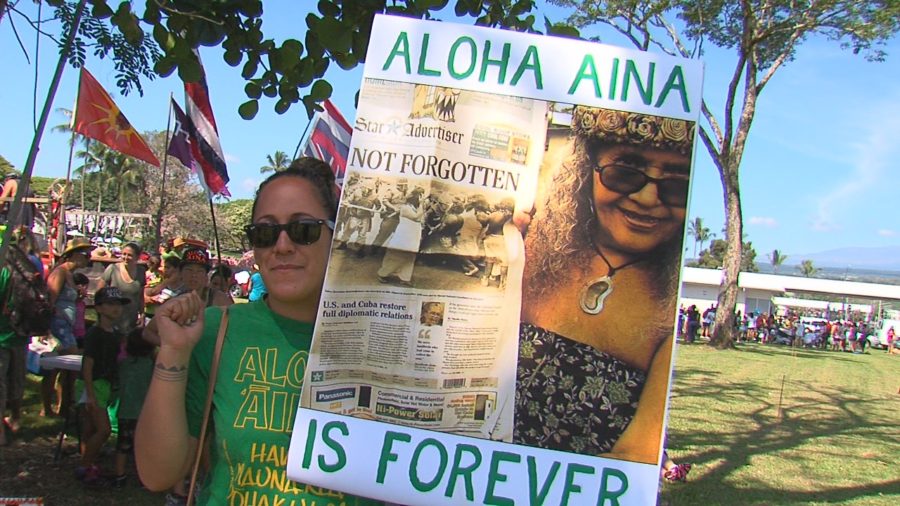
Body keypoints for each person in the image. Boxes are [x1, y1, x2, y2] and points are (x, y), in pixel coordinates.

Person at [136, 157, 377, 505]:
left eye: (304, 229)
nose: (282, 246)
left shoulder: (386, 337)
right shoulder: (216, 331)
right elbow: (158, 474)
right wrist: (173, 352)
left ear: (336, 235)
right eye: (265, 232)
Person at [515, 106, 693, 464]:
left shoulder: (670, 313)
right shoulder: (525, 249)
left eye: (676, 186)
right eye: (624, 174)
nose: (647, 198)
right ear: (587, 170)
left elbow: (637, 453)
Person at [75, 286, 131, 486]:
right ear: (98, 308)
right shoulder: (95, 333)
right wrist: (90, 394)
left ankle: (90, 464)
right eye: (110, 304)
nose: (116, 308)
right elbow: (87, 364)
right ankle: (84, 465)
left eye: (119, 304)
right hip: (92, 384)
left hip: (105, 384)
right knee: (104, 430)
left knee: (91, 428)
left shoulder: (115, 333)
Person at [42, 237, 93, 417]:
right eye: (85, 254)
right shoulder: (60, 272)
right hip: (58, 326)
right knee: (64, 365)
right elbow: (50, 300)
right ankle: (48, 408)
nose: (88, 258)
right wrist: (47, 329)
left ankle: (62, 406)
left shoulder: (70, 275)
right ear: (73, 255)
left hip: (67, 326)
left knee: (64, 368)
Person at [113, 328, 155, 488]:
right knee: (144, 447)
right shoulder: (151, 366)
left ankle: (120, 475)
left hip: (125, 411)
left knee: (122, 446)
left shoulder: (123, 365)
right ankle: (145, 478)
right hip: (145, 414)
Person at [377, 189, 425, 287]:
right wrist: (422, 204)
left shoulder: (415, 208)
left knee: (410, 257)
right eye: (420, 197)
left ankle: (405, 278)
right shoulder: (405, 207)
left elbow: (421, 219)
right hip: (404, 235)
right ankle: (383, 274)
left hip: (413, 235)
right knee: (397, 255)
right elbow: (416, 217)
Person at [0, 264, 26, 446]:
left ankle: (1, 433)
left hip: (2, 335)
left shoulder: (3, 271)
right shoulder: (26, 265)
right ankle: (15, 419)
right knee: (17, 380)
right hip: (21, 333)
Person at [96, 242, 145, 333]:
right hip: (112, 318)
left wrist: (142, 314)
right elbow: (99, 293)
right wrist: (101, 314)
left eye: (130, 255)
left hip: (131, 319)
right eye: (124, 254)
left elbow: (140, 297)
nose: (126, 257)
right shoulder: (112, 269)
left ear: (137, 257)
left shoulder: (141, 272)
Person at [73, 273, 90, 349]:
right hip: (72, 334)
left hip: (81, 334)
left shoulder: (82, 303)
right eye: (84, 288)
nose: (86, 291)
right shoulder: (71, 303)